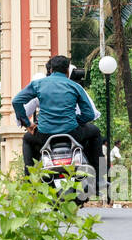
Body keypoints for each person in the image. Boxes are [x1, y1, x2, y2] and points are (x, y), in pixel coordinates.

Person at [12, 55, 103, 185]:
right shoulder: (75, 86)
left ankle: (29, 181)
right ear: (67, 70)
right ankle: (98, 177)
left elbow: (16, 101)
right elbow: (89, 114)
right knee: (95, 132)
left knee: (27, 139)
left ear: (50, 70)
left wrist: (28, 124)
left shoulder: (38, 84)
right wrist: (75, 120)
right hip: (72, 132)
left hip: (44, 134)